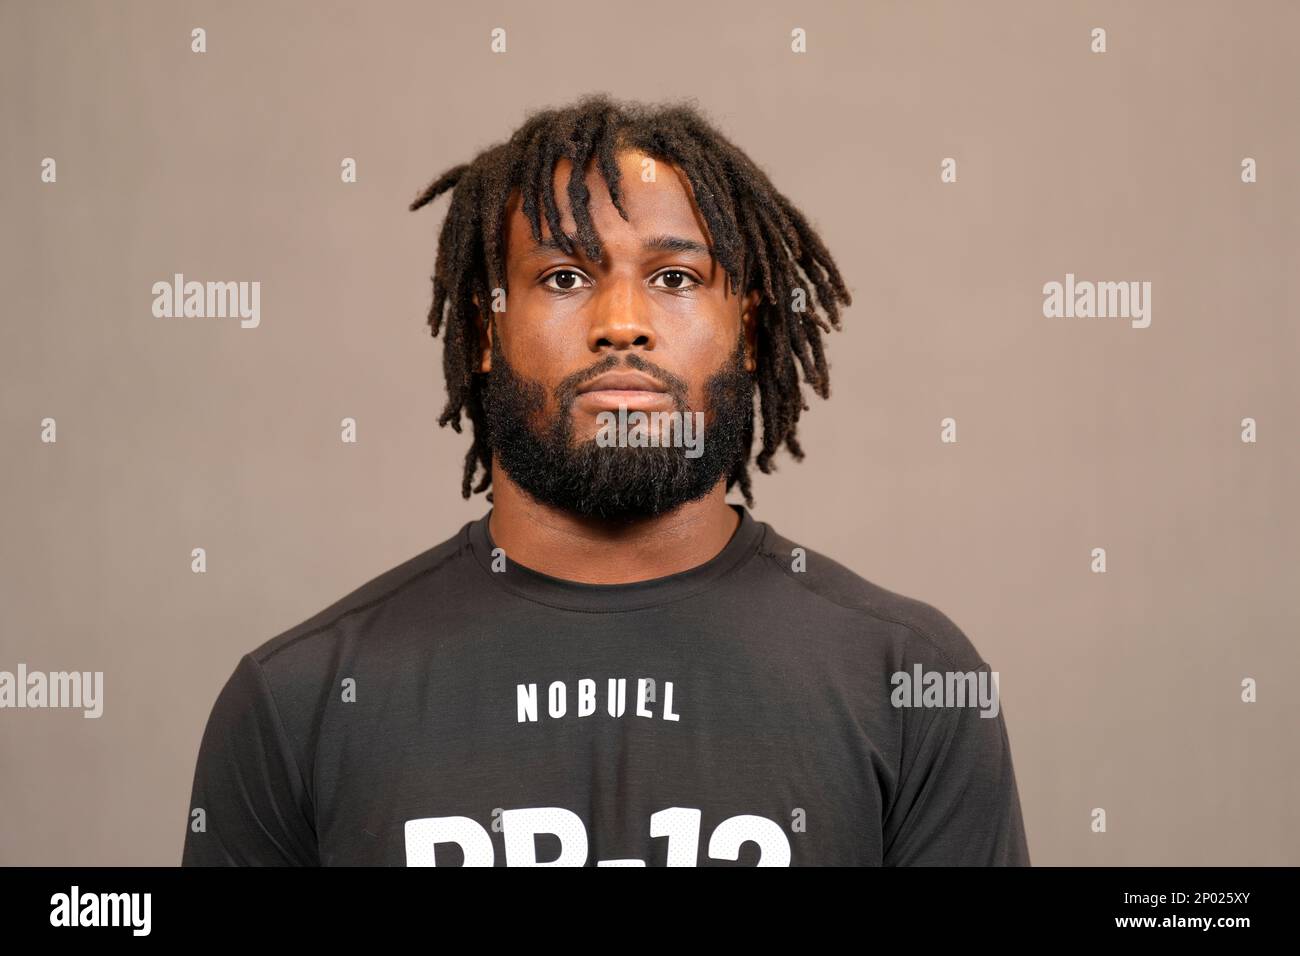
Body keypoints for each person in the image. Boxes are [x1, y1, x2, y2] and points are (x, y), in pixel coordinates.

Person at [181, 93, 1030, 866]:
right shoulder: (300, 702)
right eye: (564, 277)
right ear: (485, 329)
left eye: (675, 278)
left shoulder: (911, 682)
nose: (621, 324)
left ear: (749, 331)